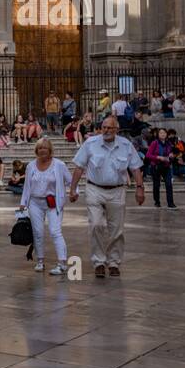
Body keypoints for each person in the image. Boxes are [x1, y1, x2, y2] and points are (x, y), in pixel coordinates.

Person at [69, 113, 145, 277]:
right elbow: (79, 167)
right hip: (94, 189)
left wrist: (140, 188)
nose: (106, 130)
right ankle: (98, 261)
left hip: (117, 190)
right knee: (96, 224)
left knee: (116, 229)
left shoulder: (126, 145)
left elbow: (136, 168)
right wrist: (73, 189)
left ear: (116, 129)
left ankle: (113, 262)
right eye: (104, 127)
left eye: (110, 127)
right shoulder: (90, 143)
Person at [18, 139, 73, 276]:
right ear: (36, 150)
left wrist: (74, 192)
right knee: (37, 232)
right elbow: (27, 186)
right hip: (35, 203)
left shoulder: (59, 165)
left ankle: (62, 263)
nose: (42, 150)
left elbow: (71, 181)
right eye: (40, 148)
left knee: (55, 231)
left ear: (50, 150)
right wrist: (23, 202)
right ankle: (40, 261)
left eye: (45, 148)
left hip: (53, 202)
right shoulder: (30, 166)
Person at [145, 128, 177, 209]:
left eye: (164, 133)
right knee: (156, 185)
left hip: (166, 166)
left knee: (169, 185)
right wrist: (158, 157)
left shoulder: (169, 143)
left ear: (166, 134)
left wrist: (171, 156)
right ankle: (157, 202)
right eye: (161, 133)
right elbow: (148, 155)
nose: (162, 134)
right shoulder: (154, 143)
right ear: (158, 135)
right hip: (156, 166)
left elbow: (171, 154)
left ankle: (170, 203)